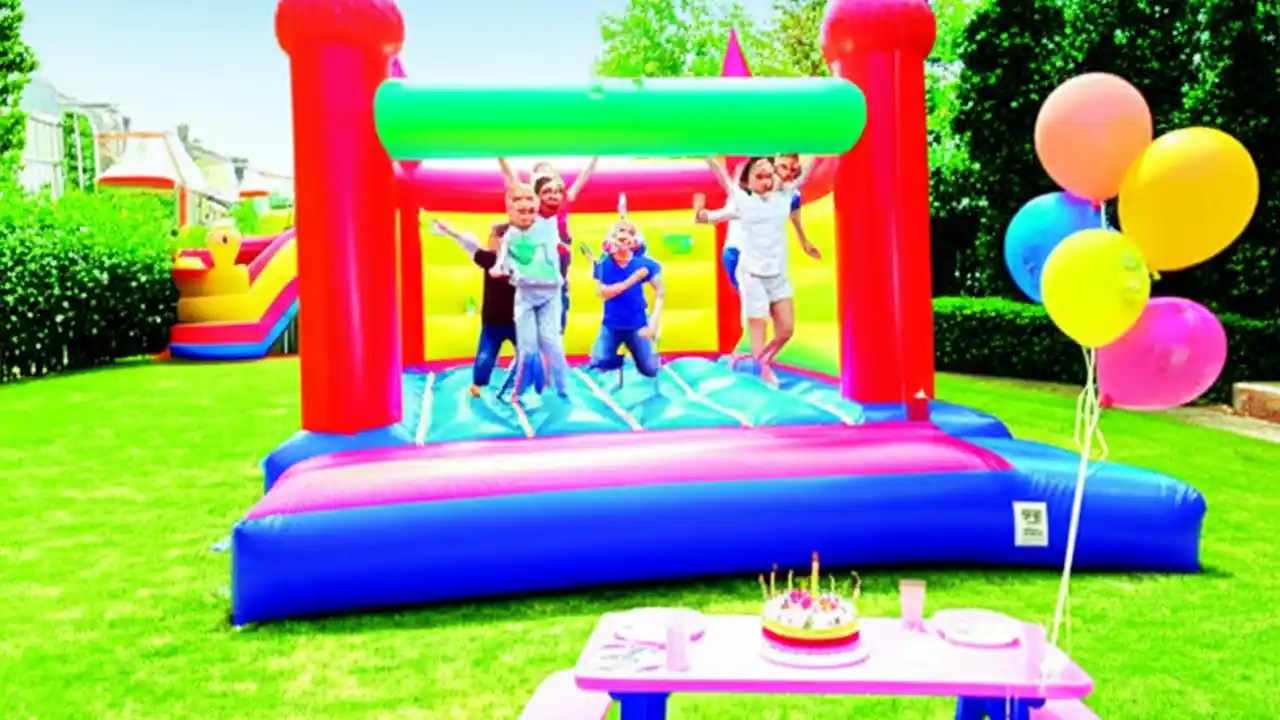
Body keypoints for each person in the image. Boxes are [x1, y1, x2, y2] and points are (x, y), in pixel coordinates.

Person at [699, 155, 821, 386]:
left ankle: (760, 359)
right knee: (758, 322)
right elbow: (723, 182)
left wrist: (816, 152)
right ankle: (761, 367)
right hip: (748, 268)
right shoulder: (741, 198)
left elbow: (801, 178)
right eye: (760, 176)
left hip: (776, 273)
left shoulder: (786, 196)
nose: (767, 180)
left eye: (769, 175)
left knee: (786, 329)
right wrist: (708, 156)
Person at [430, 218, 543, 399]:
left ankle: (538, 384)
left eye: (491, 236)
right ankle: (478, 385)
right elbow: (470, 245)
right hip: (492, 323)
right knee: (485, 358)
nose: (488, 239)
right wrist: (450, 231)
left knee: (530, 355)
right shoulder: (489, 259)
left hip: (518, 323)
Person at [488, 182, 571, 405]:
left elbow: (551, 238)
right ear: (510, 212)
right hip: (525, 295)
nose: (526, 216)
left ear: (537, 208)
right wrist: (499, 267)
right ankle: (518, 392)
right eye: (520, 211)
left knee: (552, 342)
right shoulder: (509, 236)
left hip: (550, 293)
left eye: (530, 211)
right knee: (528, 348)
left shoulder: (546, 226)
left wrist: (560, 246)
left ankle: (564, 391)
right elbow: (503, 259)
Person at [498, 157, 600, 333]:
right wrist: (500, 156)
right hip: (536, 249)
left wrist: (595, 157)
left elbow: (584, 176)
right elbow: (511, 178)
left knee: (557, 289)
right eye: (539, 172)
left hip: (559, 249)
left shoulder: (562, 197)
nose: (544, 175)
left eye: (547, 172)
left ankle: (555, 329)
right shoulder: (529, 198)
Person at [587, 219, 664, 378]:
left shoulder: (645, 264)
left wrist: (654, 323)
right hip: (611, 325)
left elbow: (660, 293)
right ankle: (618, 360)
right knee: (599, 362)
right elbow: (603, 293)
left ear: (634, 241)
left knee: (650, 370)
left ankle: (647, 354)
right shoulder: (603, 264)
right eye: (619, 232)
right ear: (612, 238)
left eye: (629, 233)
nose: (623, 236)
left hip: (638, 325)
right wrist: (633, 279)